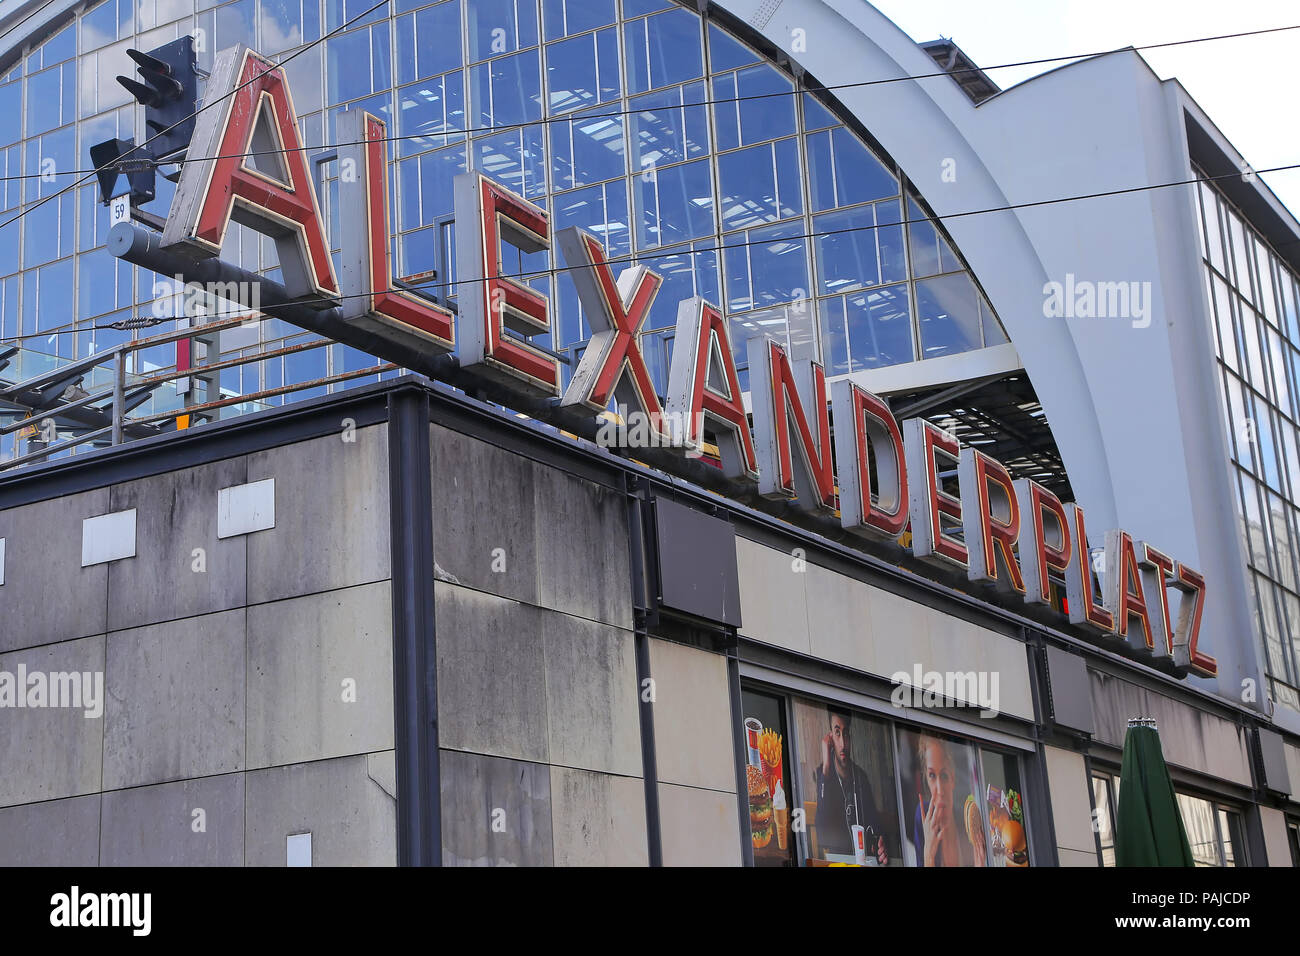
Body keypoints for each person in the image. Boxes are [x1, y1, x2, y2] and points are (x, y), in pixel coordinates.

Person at [815, 710, 889, 864]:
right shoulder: (824, 775)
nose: (842, 743)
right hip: (836, 863)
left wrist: (879, 842)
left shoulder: (860, 777)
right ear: (830, 739)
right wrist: (827, 767)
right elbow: (821, 831)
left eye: (846, 734)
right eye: (837, 733)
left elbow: (874, 824)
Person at [910, 734, 986, 867]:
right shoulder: (923, 819)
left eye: (944, 776)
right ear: (926, 779)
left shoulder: (965, 822)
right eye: (932, 776)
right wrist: (929, 855)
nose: (939, 790)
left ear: (953, 778)